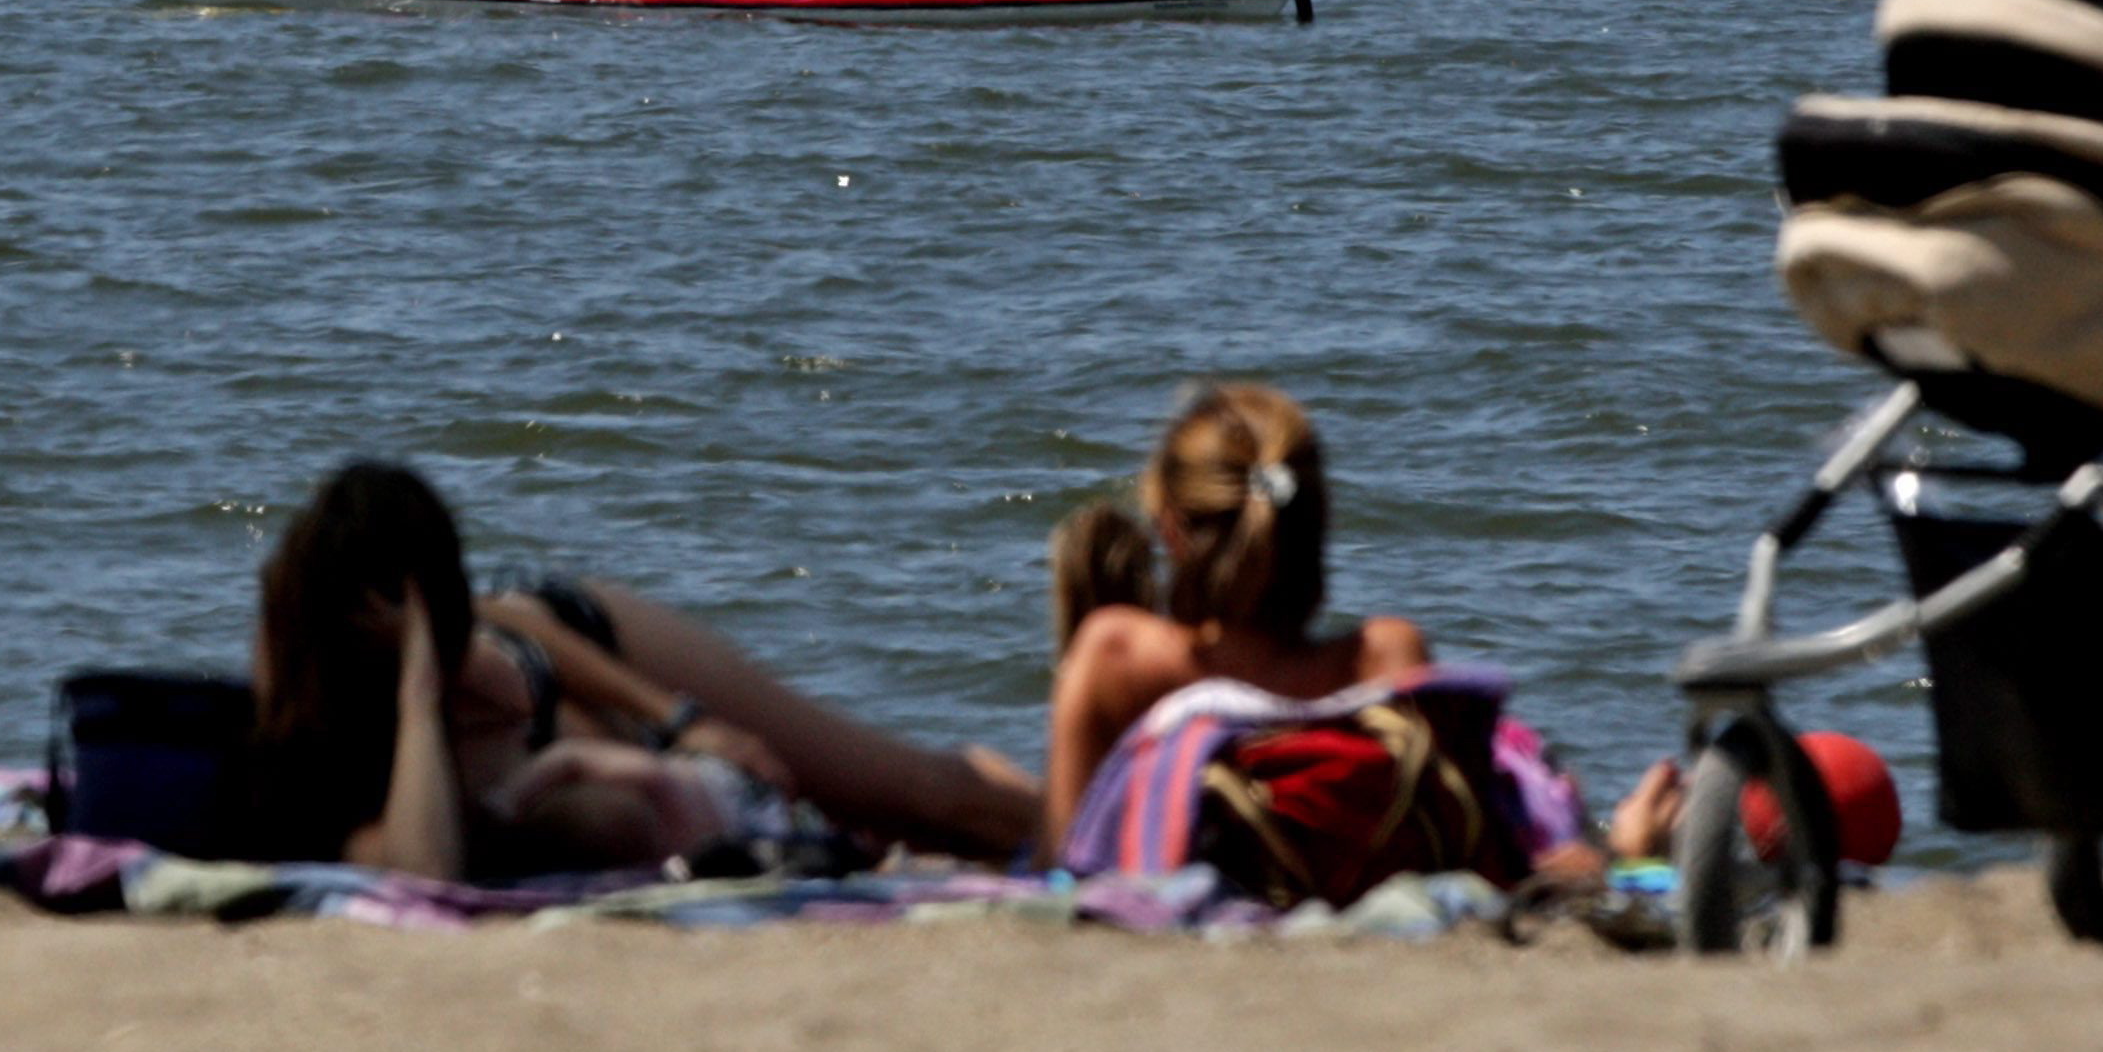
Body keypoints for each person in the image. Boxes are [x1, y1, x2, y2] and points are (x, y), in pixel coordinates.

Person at [254, 460, 1037, 880]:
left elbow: (518, 618)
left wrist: (683, 720)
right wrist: (421, 696)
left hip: (602, 642)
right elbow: (421, 870)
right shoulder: (346, 740)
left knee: (928, 795)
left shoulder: (470, 620)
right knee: (888, 823)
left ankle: (1075, 820)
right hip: (612, 761)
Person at [1042, 385, 1684, 879]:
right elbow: (1462, 851)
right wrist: (1619, 858)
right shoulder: (1384, 658)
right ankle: (1635, 843)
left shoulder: (1117, 655)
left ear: (1170, 532)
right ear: (1317, 526)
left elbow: (1064, 864)